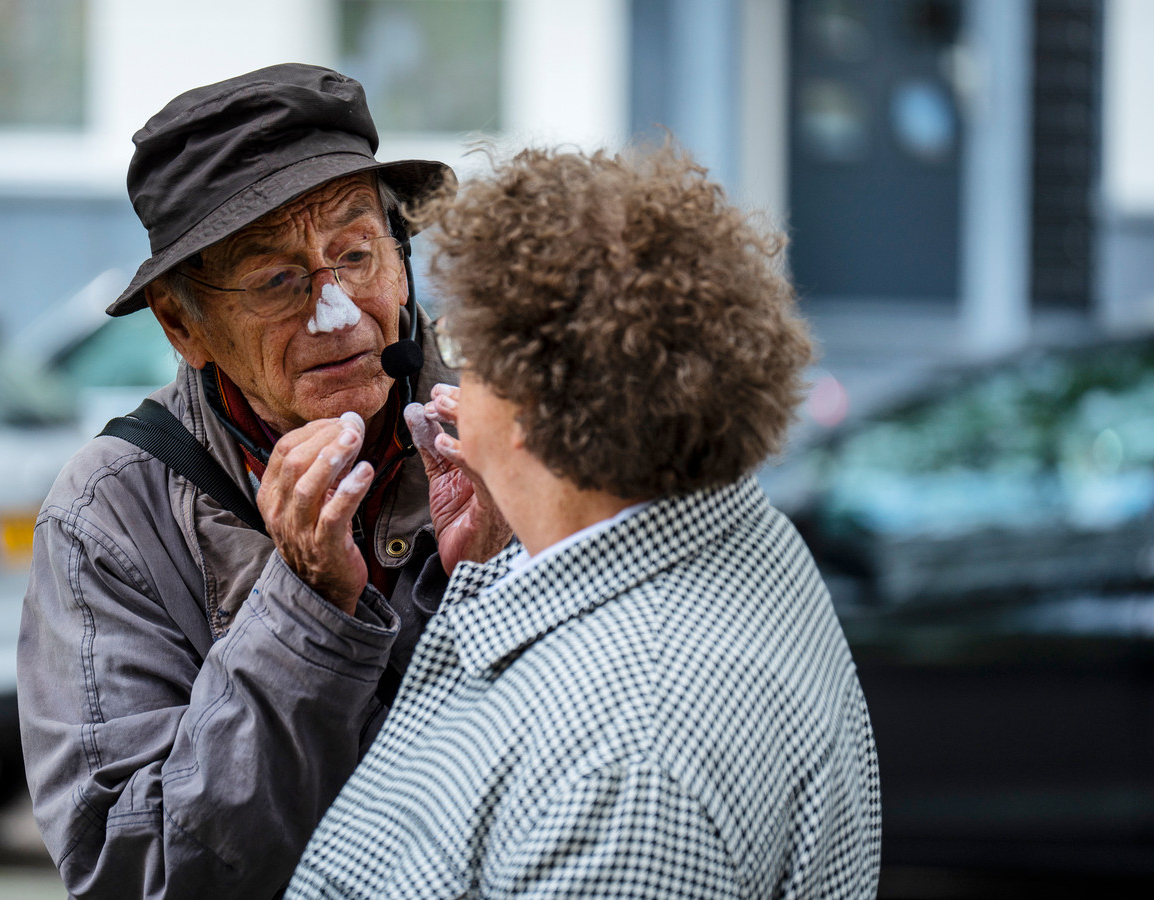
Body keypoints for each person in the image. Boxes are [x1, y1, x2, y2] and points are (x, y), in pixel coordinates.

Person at [287, 143, 883, 899]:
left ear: (532, 412)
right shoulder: (727, 519)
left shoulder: (632, 773)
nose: (452, 386)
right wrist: (483, 570)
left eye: (467, 352)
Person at [17, 64, 509, 899]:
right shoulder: (108, 515)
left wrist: (495, 583)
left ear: (402, 253)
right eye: (276, 280)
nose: (340, 313)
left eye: (356, 254)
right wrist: (305, 608)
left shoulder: (509, 431)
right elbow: (137, 875)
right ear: (183, 324)